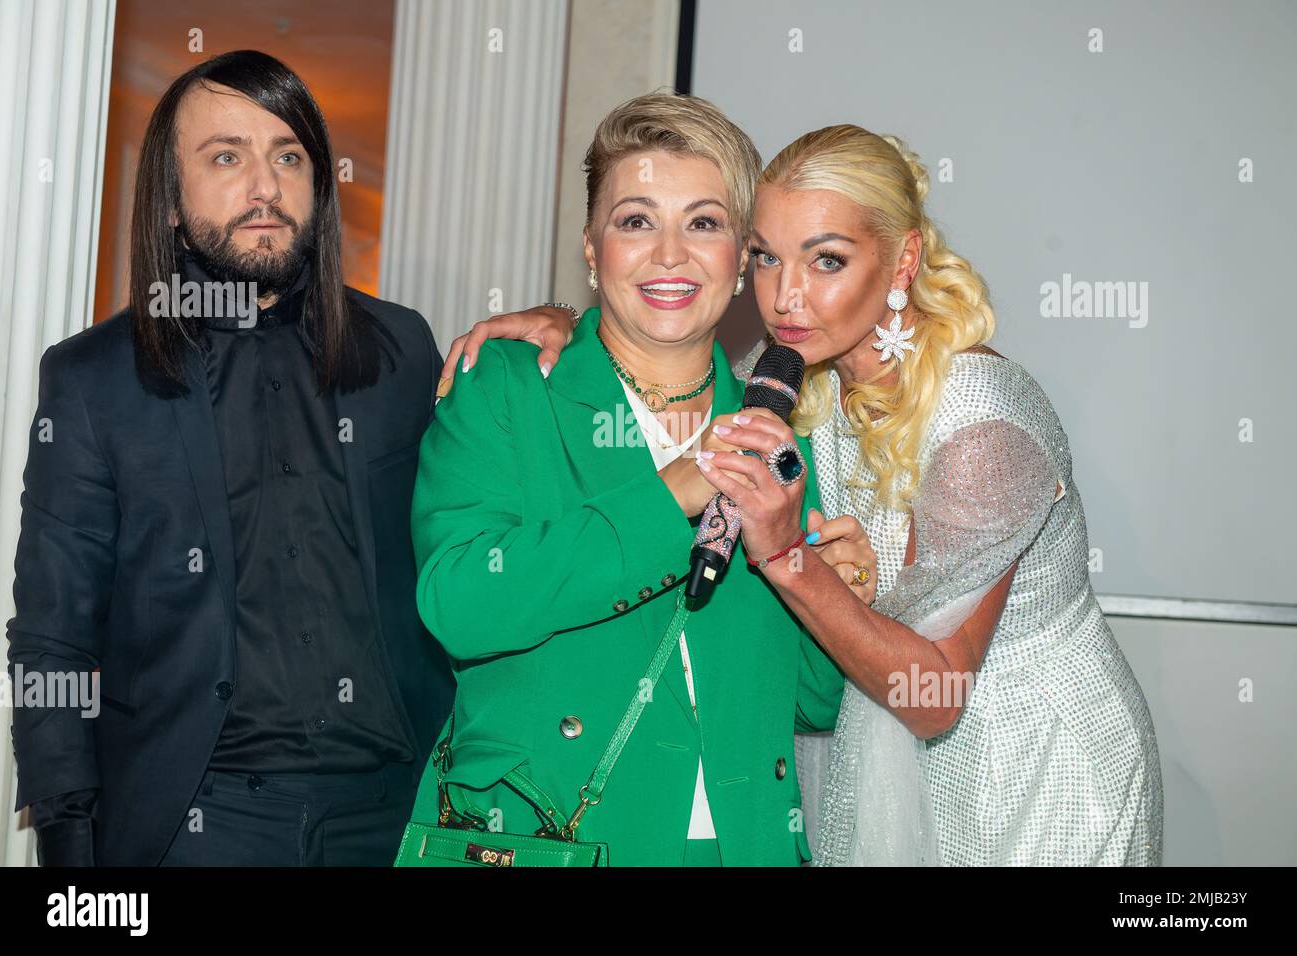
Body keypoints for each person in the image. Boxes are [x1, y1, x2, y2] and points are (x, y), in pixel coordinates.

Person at [464, 125, 1163, 866]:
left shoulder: (982, 428)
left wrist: (789, 558)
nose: (785, 296)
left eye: (826, 259)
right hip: (867, 752)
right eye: (766, 256)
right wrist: (567, 325)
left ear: (904, 259)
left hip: (1026, 774)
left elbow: (934, 699)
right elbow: (659, 344)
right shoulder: (794, 378)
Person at [5, 49, 554, 867]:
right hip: (195, 819)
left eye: (288, 156)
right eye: (227, 156)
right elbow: (53, 637)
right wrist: (68, 852)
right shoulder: (94, 380)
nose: (264, 185)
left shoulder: (402, 348)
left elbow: (490, 531)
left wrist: (576, 335)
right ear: (169, 201)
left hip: (398, 814)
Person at [398, 92, 872, 867]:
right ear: (591, 248)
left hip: (738, 846)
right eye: (636, 220)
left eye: (705, 223)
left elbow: (807, 703)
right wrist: (672, 492)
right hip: (551, 838)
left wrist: (828, 587)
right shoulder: (508, 388)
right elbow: (459, 605)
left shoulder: (778, 432)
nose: (670, 255)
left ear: (741, 256)